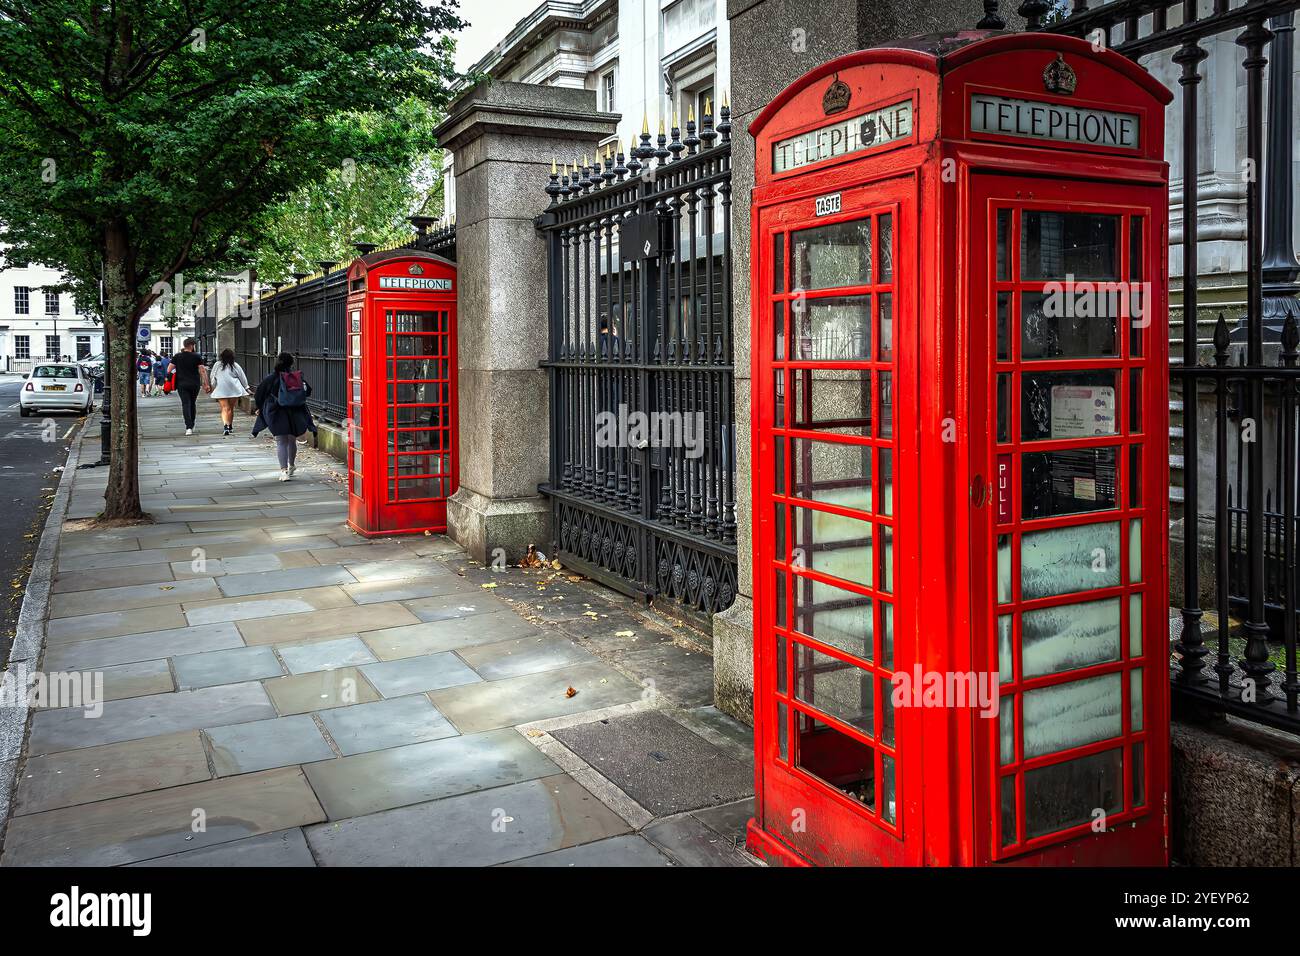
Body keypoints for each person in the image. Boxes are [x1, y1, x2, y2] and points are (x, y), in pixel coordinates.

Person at [252, 352, 316, 480]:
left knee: (281, 441)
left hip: (276, 412)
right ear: (291, 363)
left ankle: (284, 471)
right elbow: (308, 391)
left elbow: (259, 394)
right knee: (292, 439)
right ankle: (291, 465)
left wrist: (259, 407)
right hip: (295, 411)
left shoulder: (271, 378)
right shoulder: (296, 377)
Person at [168, 338, 210, 435]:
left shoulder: (177, 356)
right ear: (191, 345)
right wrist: (206, 384)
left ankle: (188, 427)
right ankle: (192, 424)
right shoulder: (197, 356)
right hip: (194, 384)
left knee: (185, 404)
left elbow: (169, 369)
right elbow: (202, 371)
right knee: (192, 403)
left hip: (181, 384)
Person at [209, 348, 250, 437]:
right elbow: (242, 377)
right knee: (230, 408)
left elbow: (213, 376)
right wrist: (246, 387)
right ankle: (230, 425)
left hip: (221, 388)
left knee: (225, 408)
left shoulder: (217, 365)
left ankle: (225, 426)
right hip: (234, 388)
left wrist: (213, 386)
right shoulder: (235, 365)